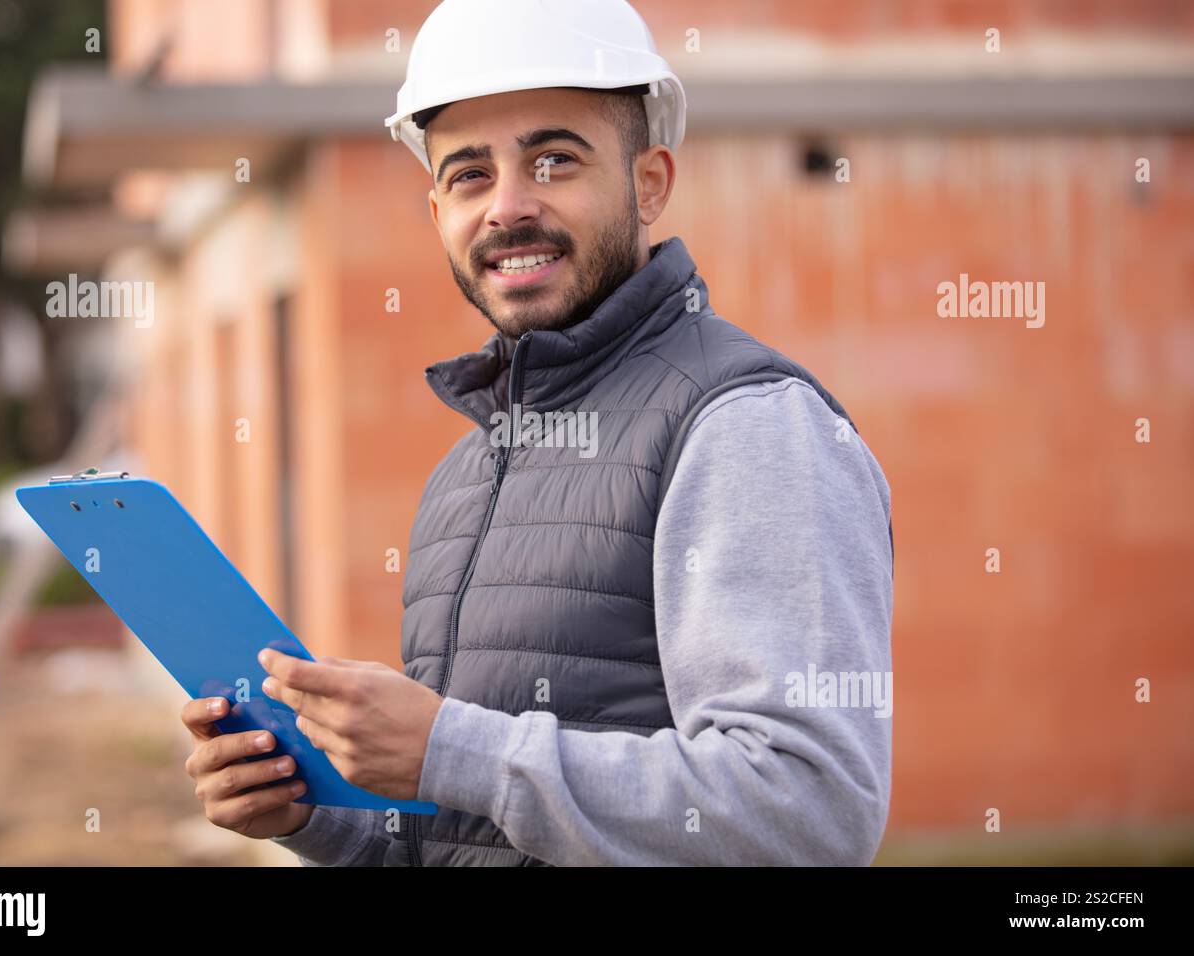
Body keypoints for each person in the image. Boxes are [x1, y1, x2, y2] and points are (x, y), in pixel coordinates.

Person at [183, 0, 894, 866]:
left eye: (553, 160)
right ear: (437, 206)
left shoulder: (745, 425)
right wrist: (309, 815)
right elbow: (459, 836)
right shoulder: (467, 471)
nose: (507, 208)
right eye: (469, 175)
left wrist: (452, 747)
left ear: (650, 182)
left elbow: (810, 814)